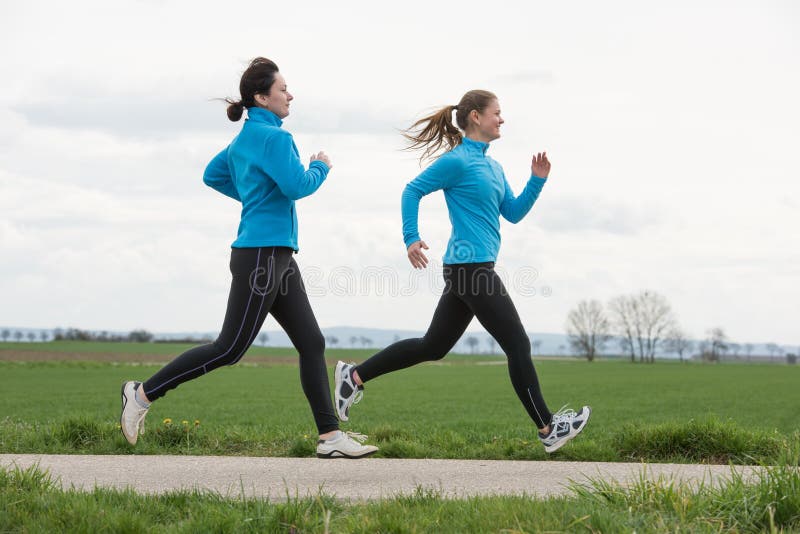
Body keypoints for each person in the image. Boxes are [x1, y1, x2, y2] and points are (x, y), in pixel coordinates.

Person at [119, 57, 377, 459]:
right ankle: (141, 394)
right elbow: (296, 186)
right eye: (283, 89)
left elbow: (213, 174)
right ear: (261, 97)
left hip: (276, 255)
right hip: (261, 256)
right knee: (230, 349)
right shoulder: (276, 139)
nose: (290, 95)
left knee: (312, 341)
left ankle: (330, 437)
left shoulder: (244, 140)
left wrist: (254, 195)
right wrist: (320, 167)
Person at [334, 90, 590, 453]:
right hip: (470, 269)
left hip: (469, 269)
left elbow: (513, 213)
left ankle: (354, 376)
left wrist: (537, 180)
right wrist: (411, 237)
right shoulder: (457, 162)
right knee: (518, 344)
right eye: (497, 113)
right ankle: (549, 428)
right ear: (474, 117)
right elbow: (412, 190)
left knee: (432, 346)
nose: (502, 119)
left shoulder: (494, 167)